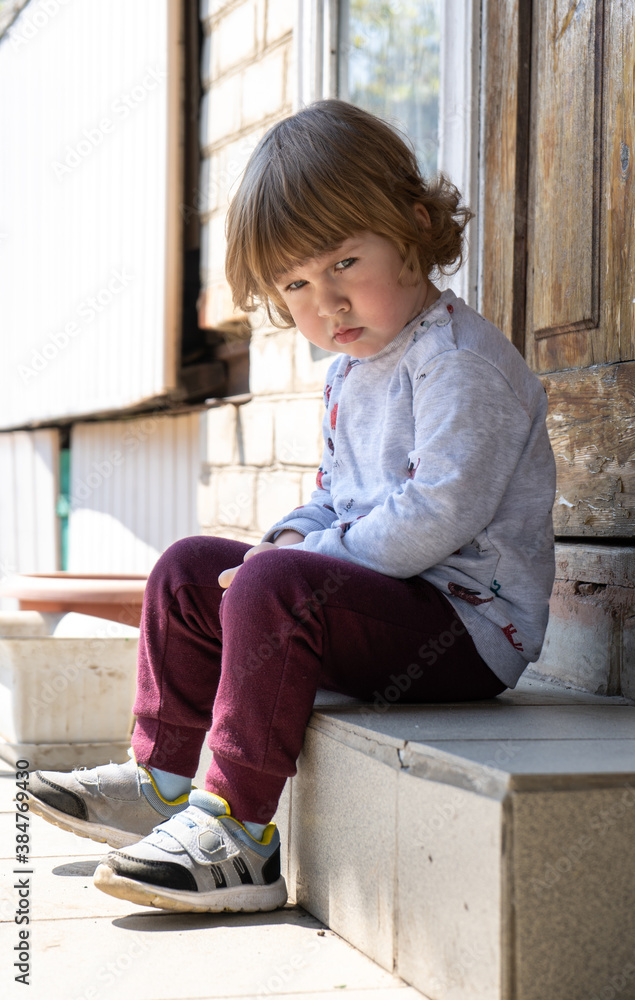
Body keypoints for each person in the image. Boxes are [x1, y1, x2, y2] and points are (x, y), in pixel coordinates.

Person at [28, 99, 556, 914]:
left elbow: (438, 513)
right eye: (298, 284)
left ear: (415, 226)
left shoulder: (457, 363)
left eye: (345, 263)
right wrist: (281, 545)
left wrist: (297, 565)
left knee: (279, 585)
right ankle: (163, 779)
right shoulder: (352, 370)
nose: (327, 304)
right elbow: (334, 498)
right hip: (383, 601)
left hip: (467, 629)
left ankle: (239, 833)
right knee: (190, 568)